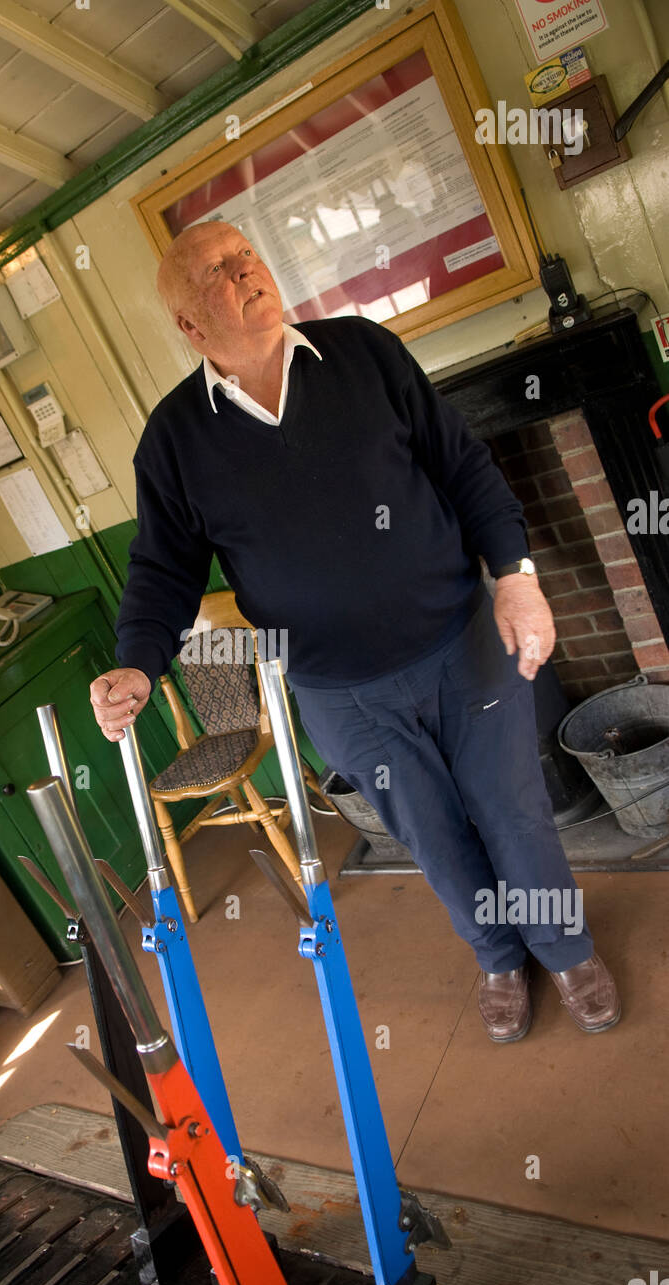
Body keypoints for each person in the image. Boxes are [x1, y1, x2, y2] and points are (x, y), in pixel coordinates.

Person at [89, 220, 621, 1043]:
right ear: (190, 327)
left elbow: (463, 465)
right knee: (431, 837)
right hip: (341, 693)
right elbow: (165, 571)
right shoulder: (174, 441)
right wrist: (136, 665)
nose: (246, 273)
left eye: (246, 257)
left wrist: (515, 579)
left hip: (460, 642)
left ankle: (567, 949)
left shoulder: (362, 355)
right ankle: (498, 959)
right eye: (218, 275)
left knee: (514, 812)